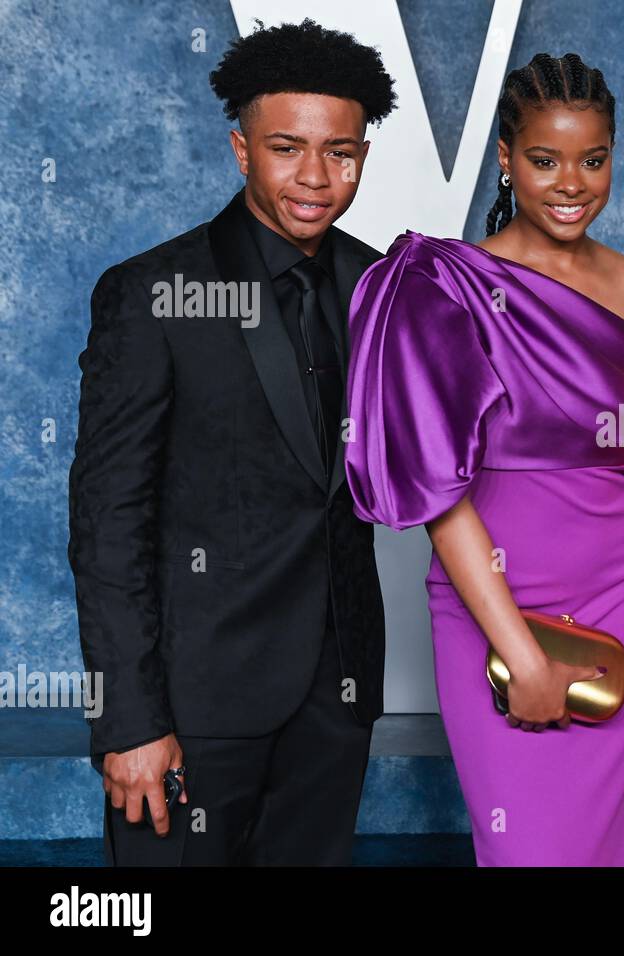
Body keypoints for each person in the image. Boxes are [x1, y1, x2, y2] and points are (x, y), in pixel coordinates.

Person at [68, 19, 395, 864]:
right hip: (190, 706)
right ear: (240, 148)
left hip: (338, 698)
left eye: (342, 152)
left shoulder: (382, 287)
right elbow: (107, 524)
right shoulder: (152, 294)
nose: (316, 177)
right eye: (287, 147)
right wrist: (131, 723)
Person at [344, 52, 624, 866]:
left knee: (599, 852)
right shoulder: (441, 284)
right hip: (491, 600)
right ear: (505, 159)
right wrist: (518, 648)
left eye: (593, 161)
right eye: (545, 160)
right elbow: (436, 495)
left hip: (619, 594)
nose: (571, 183)